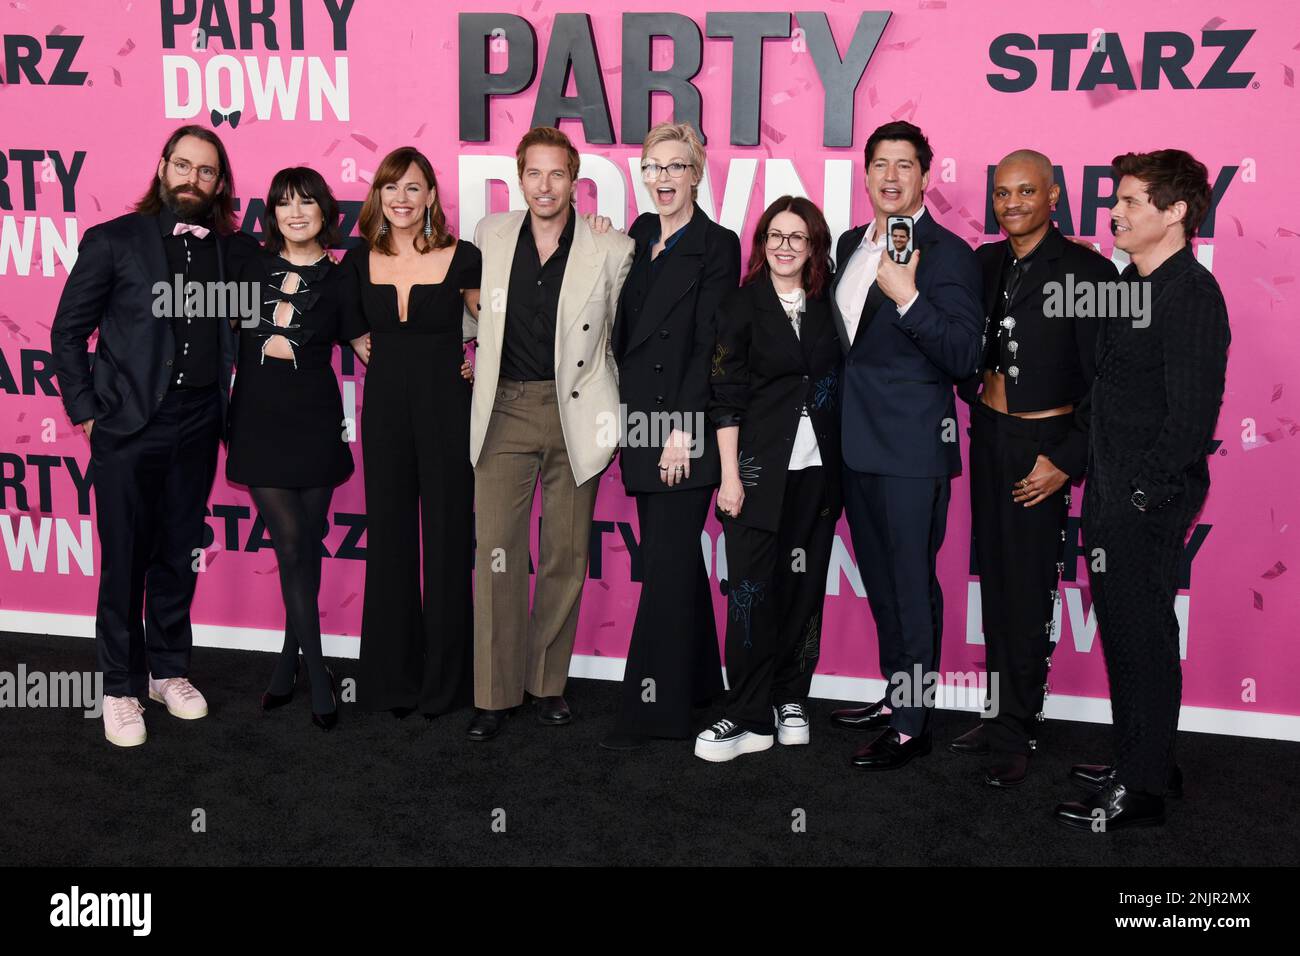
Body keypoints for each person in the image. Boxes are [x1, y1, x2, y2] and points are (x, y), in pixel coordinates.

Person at [50, 125, 257, 747]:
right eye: (183, 165)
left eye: (206, 171)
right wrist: (88, 412)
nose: (193, 179)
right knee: (125, 559)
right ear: (163, 167)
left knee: (176, 551)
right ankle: (119, 687)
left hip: (199, 422)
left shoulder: (230, 251)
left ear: (219, 184)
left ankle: (168, 672)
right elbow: (67, 332)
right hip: (128, 426)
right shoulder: (114, 240)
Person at [1055, 150, 1230, 830]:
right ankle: (1146, 760)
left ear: (1176, 212)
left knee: (1141, 637)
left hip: (1144, 501)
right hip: (1111, 489)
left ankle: (1143, 790)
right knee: (1129, 635)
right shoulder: (1132, 281)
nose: (1115, 212)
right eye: (1116, 200)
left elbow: (1191, 419)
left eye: (1130, 201)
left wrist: (1140, 496)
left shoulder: (1192, 295)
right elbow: (1108, 387)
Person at [948, 150, 1116, 786]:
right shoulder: (984, 262)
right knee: (994, 580)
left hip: (1043, 446)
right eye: (1001, 192)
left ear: (1053, 196)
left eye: (1025, 191)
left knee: (1026, 588)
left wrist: (1066, 460)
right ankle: (999, 715)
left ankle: (1017, 730)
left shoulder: (1088, 271)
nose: (1011, 203)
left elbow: (1105, 382)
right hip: (989, 435)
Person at [466, 126, 635, 741]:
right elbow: (469, 310)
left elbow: (622, 336)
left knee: (565, 553)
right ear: (519, 178)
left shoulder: (611, 246)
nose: (545, 185)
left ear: (574, 180)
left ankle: (547, 683)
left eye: (556, 173)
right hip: (504, 409)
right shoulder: (488, 234)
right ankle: (494, 692)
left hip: (576, 413)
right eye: (534, 173)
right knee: (497, 554)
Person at [826, 121, 983, 770]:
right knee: (883, 583)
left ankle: (913, 724)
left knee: (912, 586)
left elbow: (965, 354)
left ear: (925, 175)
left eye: (904, 165)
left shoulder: (948, 254)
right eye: (880, 165)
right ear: (865, 174)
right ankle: (898, 697)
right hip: (853, 447)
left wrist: (910, 299)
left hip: (913, 451)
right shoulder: (848, 244)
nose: (891, 177)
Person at [601, 122, 739, 751]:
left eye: (676, 166)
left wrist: (683, 430)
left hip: (683, 428)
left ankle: (655, 710)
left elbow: (710, 343)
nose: (662, 178)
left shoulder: (717, 244)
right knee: (673, 560)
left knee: (665, 566)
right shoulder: (636, 235)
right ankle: (703, 682)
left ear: (696, 174)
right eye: (653, 167)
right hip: (638, 423)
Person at [694, 196, 844, 762]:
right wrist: (729, 477)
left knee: (803, 593)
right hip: (756, 476)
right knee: (751, 596)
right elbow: (724, 397)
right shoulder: (740, 306)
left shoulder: (827, 305)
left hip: (818, 477)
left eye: (796, 237)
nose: (785, 246)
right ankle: (747, 714)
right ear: (762, 244)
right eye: (775, 236)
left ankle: (791, 698)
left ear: (813, 247)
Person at [225, 166, 368, 731]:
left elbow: (366, 344)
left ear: (325, 212)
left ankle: (289, 661)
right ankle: (320, 675)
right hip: (257, 421)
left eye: (307, 202)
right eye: (284, 203)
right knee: (290, 542)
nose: (296, 212)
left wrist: (447, 365)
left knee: (305, 545)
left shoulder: (343, 276)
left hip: (316, 422)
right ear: (272, 214)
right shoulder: (246, 264)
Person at [345, 147, 479, 720]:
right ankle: (391, 681)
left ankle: (447, 684)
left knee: (448, 538)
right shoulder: (358, 260)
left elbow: (498, 319)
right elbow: (339, 316)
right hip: (384, 412)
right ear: (379, 195)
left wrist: (480, 362)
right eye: (391, 187)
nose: (401, 198)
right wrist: (356, 337)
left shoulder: (463, 255)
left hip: (447, 407)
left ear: (430, 197)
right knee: (390, 538)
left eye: (413, 187)